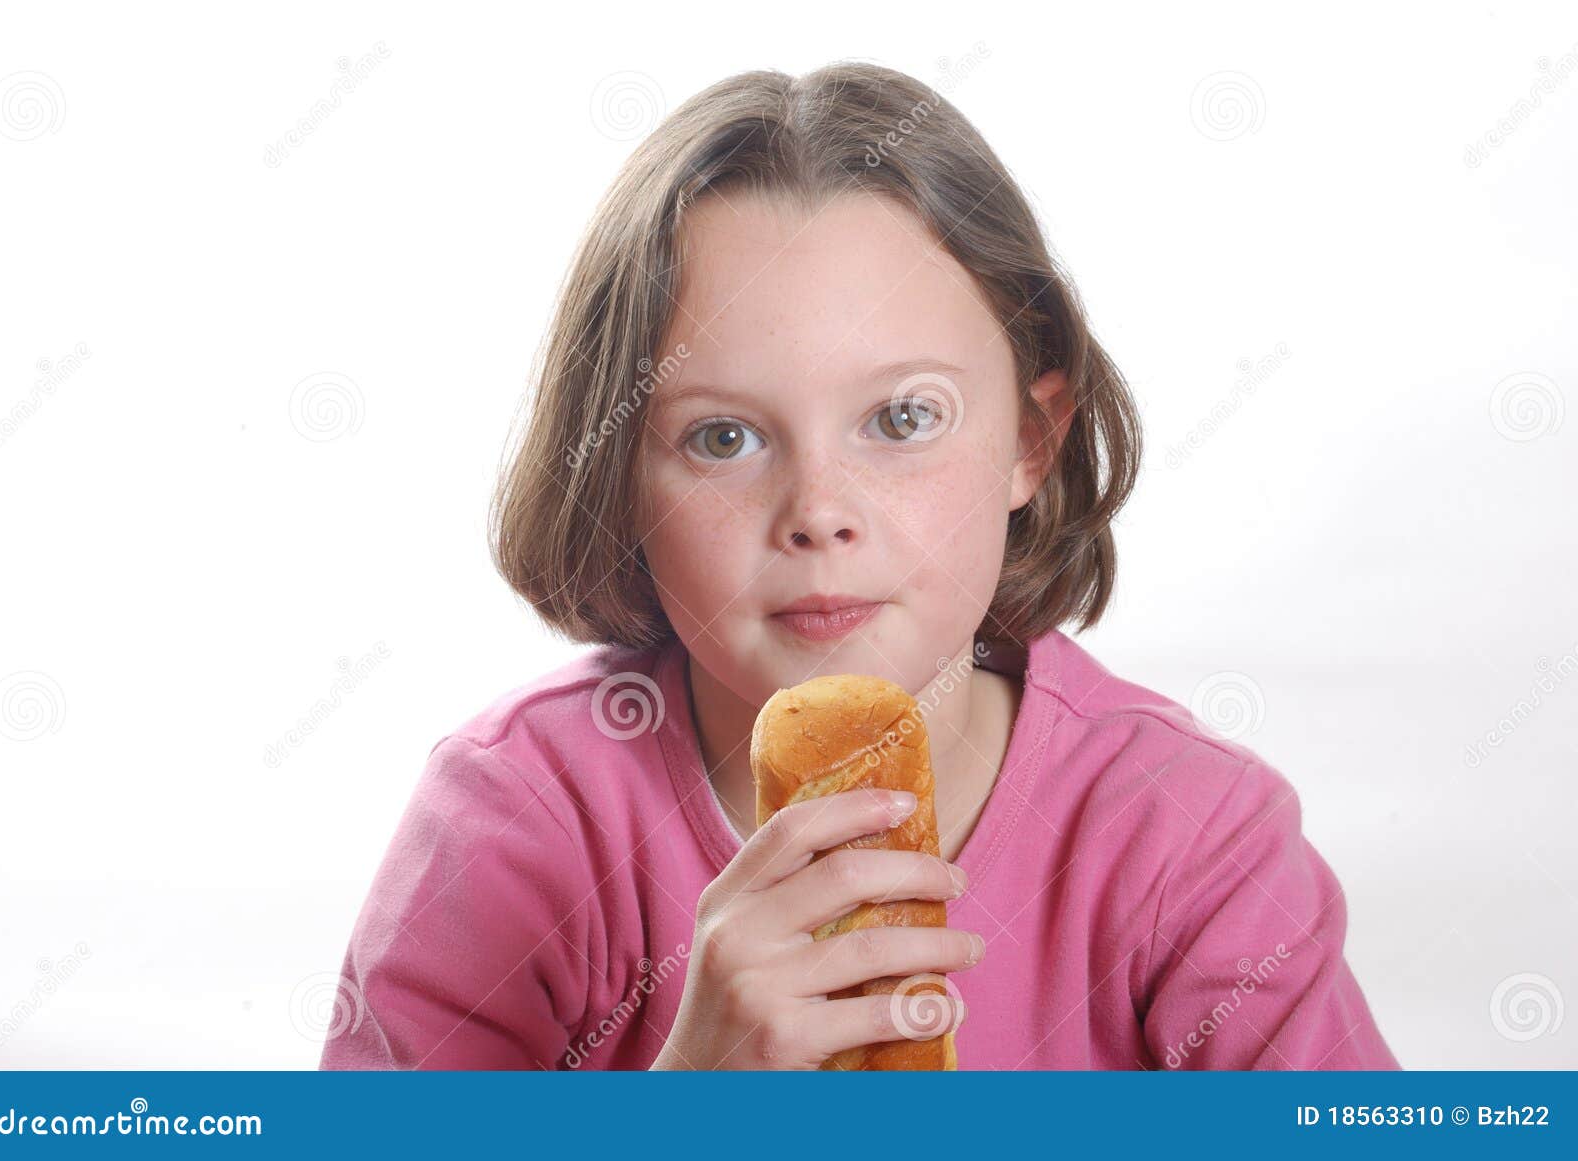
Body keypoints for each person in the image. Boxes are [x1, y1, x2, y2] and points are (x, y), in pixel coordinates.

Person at [319, 61, 1399, 1071]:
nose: (818, 514)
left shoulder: (1190, 841)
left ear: (1031, 438)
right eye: (721, 438)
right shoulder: (516, 825)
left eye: (900, 416)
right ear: (618, 475)